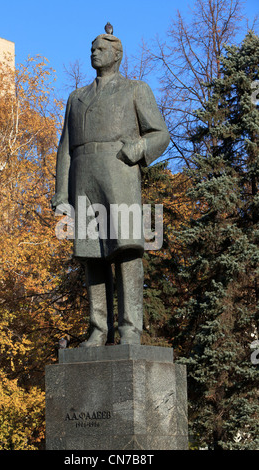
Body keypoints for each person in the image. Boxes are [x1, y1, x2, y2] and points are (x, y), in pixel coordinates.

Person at [51, 31, 170, 347]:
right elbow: (65, 148)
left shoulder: (135, 89)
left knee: (127, 251)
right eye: (92, 48)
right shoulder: (76, 98)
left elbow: (160, 134)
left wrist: (139, 149)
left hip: (119, 174)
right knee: (93, 255)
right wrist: (61, 194)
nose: (95, 53)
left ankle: (131, 328)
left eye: (101, 48)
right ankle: (98, 329)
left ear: (117, 54)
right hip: (83, 178)